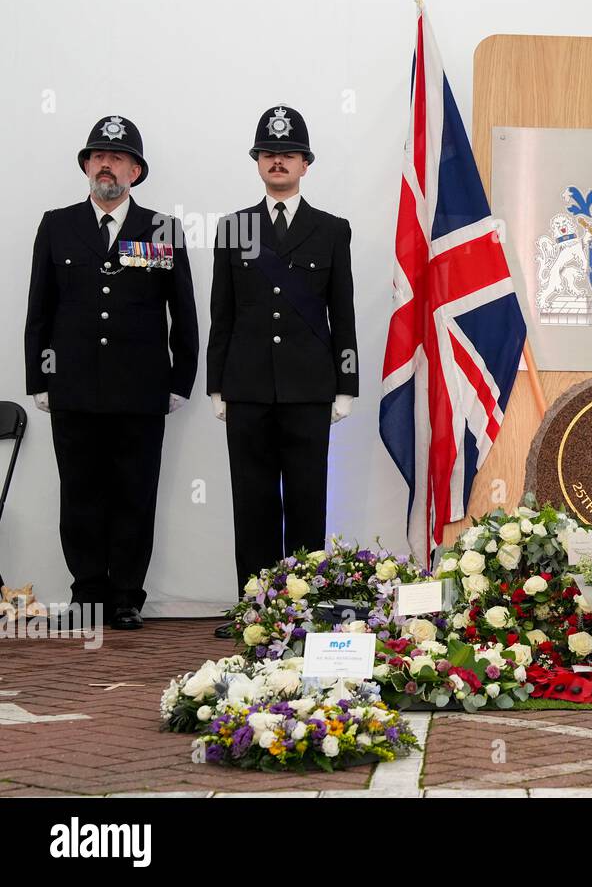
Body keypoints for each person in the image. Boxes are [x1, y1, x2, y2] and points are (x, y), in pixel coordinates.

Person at [23, 115, 199, 630]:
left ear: (136, 171)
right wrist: (39, 377)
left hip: (141, 390)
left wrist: (180, 379)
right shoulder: (57, 225)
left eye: (118, 157)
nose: (107, 164)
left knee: (134, 491)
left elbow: (183, 311)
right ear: (86, 167)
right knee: (79, 491)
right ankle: (87, 593)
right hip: (73, 385)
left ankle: (126, 595)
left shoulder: (162, 228)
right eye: (98, 156)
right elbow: (40, 307)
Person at [207, 105, 358, 637]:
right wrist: (217, 385)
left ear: (305, 163)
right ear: (257, 162)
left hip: (308, 388)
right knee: (251, 499)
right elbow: (220, 314)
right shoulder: (234, 228)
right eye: (269, 153)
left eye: (288, 153)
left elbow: (342, 312)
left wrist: (346, 385)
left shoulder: (331, 230)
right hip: (247, 387)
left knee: (306, 497)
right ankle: (253, 607)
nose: (278, 161)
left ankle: (304, 605)